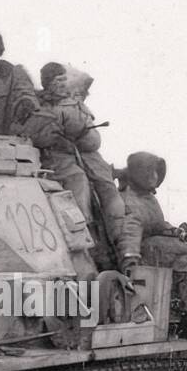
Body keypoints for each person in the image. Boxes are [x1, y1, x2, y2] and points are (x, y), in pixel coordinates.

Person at [117, 151, 187, 341]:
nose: (155, 177)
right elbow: (130, 230)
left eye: (156, 173)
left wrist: (174, 231)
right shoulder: (129, 200)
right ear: (139, 173)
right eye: (151, 172)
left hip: (164, 252)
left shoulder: (148, 198)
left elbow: (159, 224)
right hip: (150, 257)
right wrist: (130, 259)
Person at [37, 63, 136, 271]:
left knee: (108, 190)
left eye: (64, 79)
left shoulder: (73, 103)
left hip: (86, 154)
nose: (63, 84)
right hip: (60, 156)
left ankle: (121, 243)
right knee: (78, 183)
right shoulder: (46, 106)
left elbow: (89, 136)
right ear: (48, 84)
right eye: (57, 81)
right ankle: (84, 237)